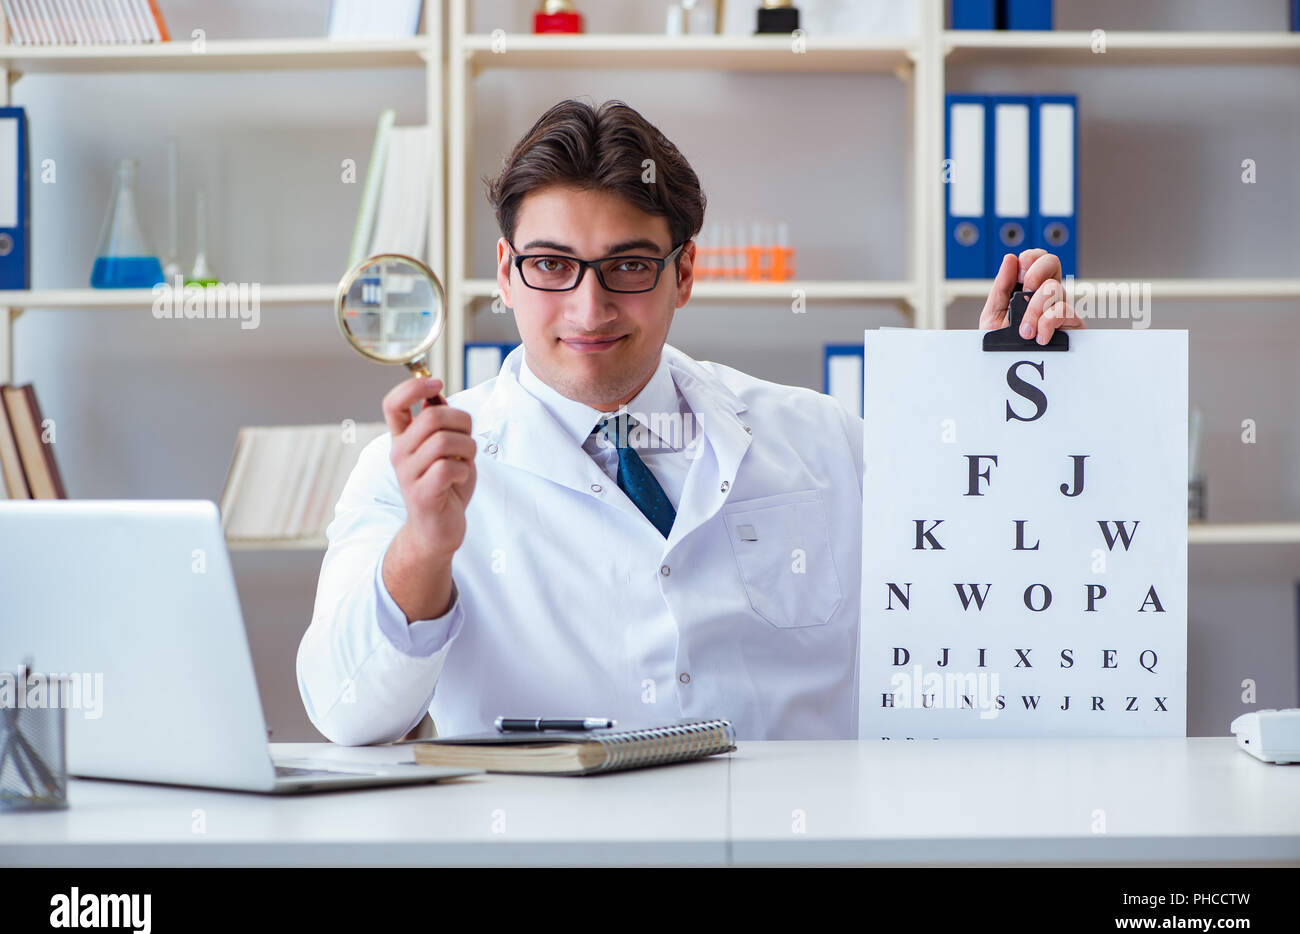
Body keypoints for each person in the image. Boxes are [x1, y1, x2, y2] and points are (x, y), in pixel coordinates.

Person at [296, 98, 1084, 746]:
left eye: (630, 265)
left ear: (687, 272)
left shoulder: (823, 438)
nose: (589, 306)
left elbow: (991, 597)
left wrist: (1008, 403)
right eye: (551, 264)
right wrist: (424, 549)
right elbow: (348, 713)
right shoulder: (411, 472)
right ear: (506, 272)